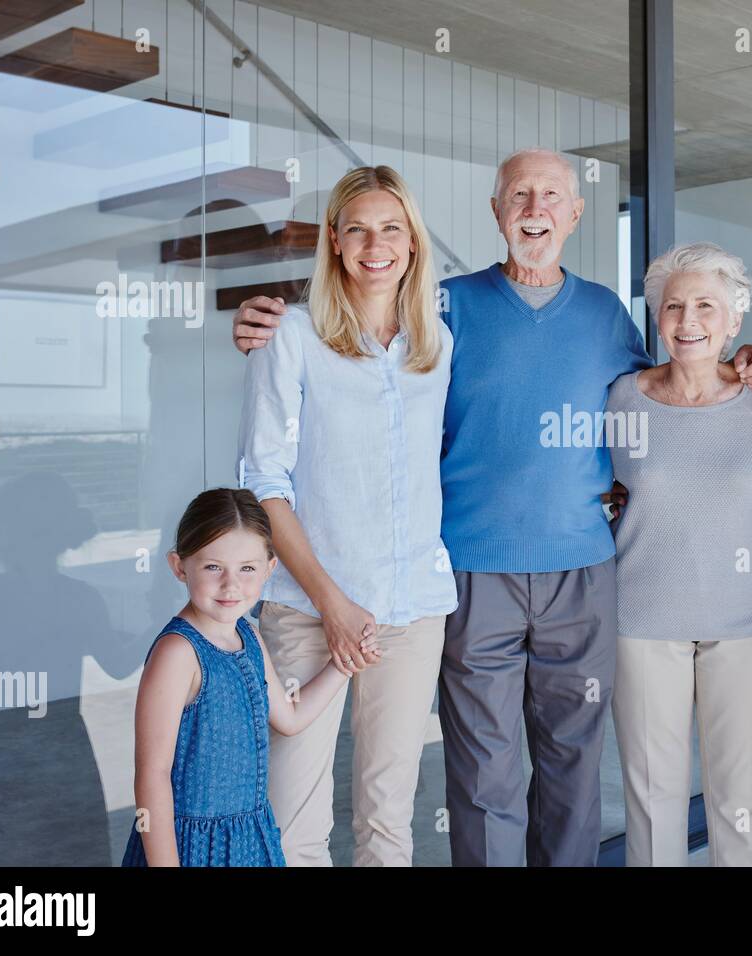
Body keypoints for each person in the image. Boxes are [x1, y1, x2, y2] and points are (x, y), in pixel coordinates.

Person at [233, 147, 752, 867]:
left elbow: (658, 387)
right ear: (496, 213)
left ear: (576, 214)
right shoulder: (443, 306)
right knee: (484, 776)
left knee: (573, 774)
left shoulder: (605, 314)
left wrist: (748, 360)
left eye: (551, 196)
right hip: (469, 574)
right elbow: (354, 321)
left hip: (581, 573)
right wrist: (262, 317)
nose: (534, 210)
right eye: (518, 195)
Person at [237, 165, 457, 866]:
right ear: (333, 241)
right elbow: (264, 484)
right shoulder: (291, 336)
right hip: (308, 611)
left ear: (414, 243)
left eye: (391, 227)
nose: (375, 243)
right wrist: (333, 606)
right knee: (294, 821)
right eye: (356, 228)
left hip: (412, 610)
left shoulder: (437, 346)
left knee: (390, 819)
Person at [605, 242, 752, 866]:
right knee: (652, 802)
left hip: (745, 625)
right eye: (673, 306)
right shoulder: (622, 397)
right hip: (644, 620)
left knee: (745, 801)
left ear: (736, 320)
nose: (688, 321)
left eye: (707, 306)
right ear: (656, 317)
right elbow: (590, 488)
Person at [123, 488, 358, 867]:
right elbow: (152, 776)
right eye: (213, 567)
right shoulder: (177, 653)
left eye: (247, 568)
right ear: (179, 566)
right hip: (190, 850)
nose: (231, 585)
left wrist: (341, 665)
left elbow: (290, 717)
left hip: (251, 840)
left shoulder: (248, 635)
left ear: (269, 568)